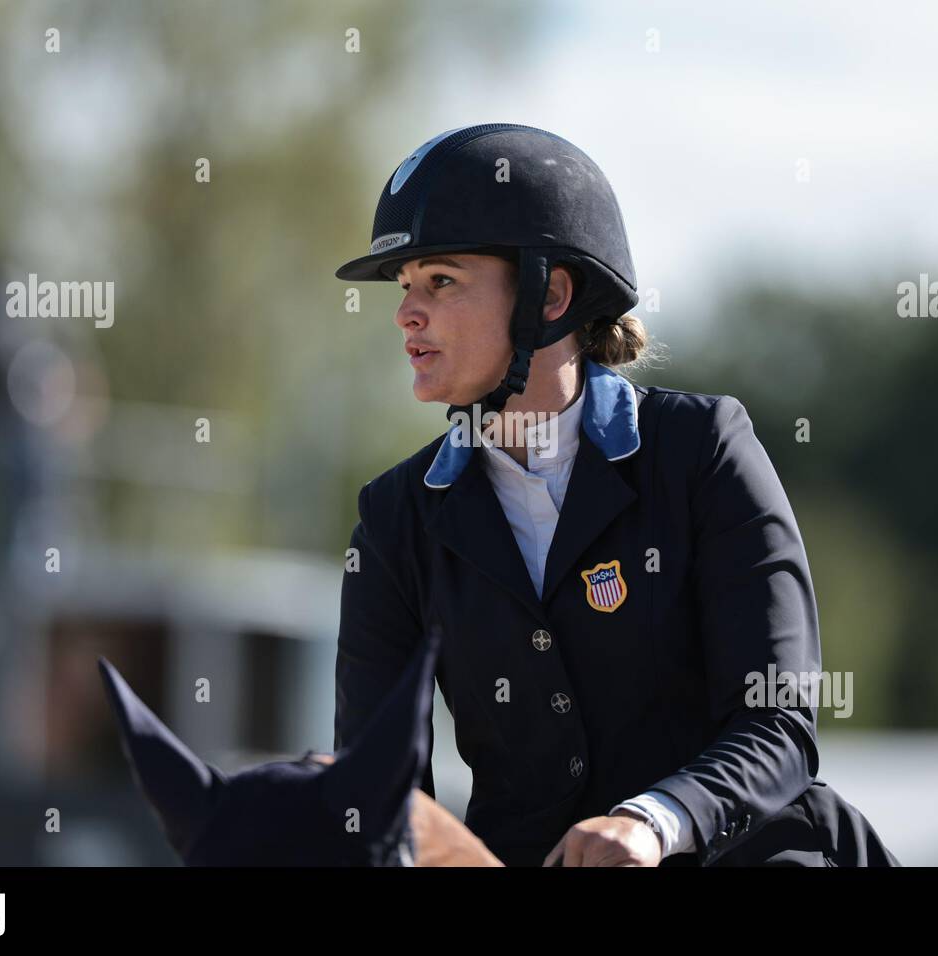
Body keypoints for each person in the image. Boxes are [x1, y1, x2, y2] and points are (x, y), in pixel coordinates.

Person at [333, 123, 898, 867]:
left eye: (441, 280)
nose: (407, 313)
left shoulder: (704, 450)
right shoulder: (392, 518)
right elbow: (383, 793)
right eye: (405, 287)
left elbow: (777, 723)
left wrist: (654, 819)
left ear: (551, 295)